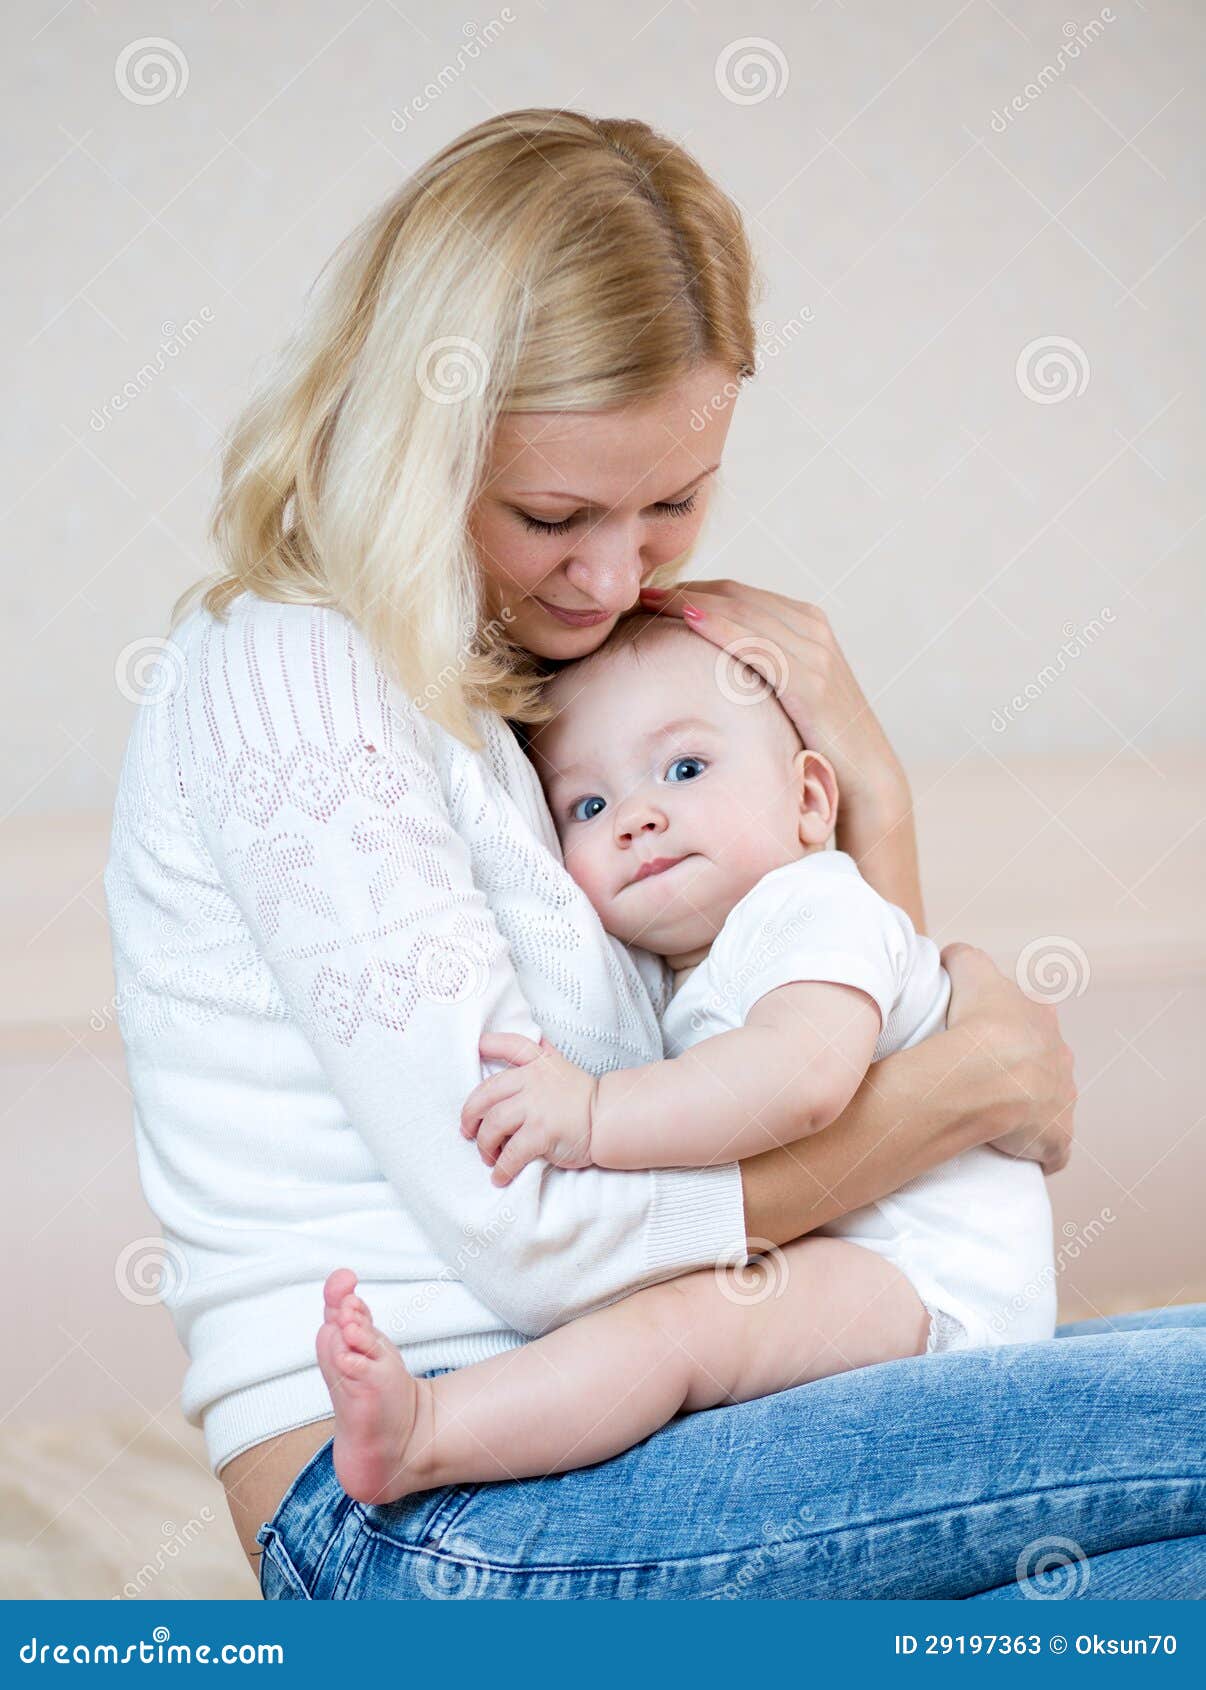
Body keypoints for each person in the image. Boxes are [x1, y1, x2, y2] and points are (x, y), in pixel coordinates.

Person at [103, 108, 1205, 1600]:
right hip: (427, 1519)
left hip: (669, 1428)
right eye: (553, 514)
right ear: (415, 443)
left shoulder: (556, 718)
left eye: (672, 503)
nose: (615, 576)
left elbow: (814, 1031)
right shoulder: (296, 675)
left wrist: (869, 793)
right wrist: (959, 1096)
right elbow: (533, 1236)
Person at [314, 612, 1059, 1508]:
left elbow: (805, 1080)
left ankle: (429, 1436)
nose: (638, 816)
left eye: (686, 769)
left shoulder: (817, 908)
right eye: (589, 806)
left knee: (683, 1333)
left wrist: (595, 1116)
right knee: (679, 1332)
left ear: (810, 802)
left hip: (935, 1285)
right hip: (865, 1271)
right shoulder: (679, 978)